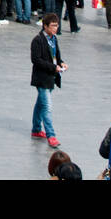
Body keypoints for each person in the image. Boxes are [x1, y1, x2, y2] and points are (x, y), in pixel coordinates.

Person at [30, 13, 66, 148]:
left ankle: (36, 129)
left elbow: (56, 56)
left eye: (57, 26)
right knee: (47, 107)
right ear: (45, 26)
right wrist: (53, 67)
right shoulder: (38, 40)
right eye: (53, 26)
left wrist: (61, 63)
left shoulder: (54, 39)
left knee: (40, 104)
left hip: (51, 77)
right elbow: (36, 60)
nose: (55, 28)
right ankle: (51, 135)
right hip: (42, 78)